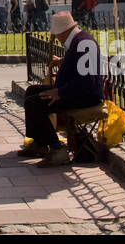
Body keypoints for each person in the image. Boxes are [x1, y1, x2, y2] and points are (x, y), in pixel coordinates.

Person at [20, 11, 104, 166]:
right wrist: (63, 61)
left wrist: (60, 92)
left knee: (35, 103)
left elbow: (87, 81)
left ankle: (57, 149)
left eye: (57, 34)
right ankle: (40, 143)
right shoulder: (79, 41)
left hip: (83, 96)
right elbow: (82, 66)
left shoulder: (82, 43)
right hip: (73, 91)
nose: (56, 38)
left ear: (64, 32)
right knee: (32, 92)